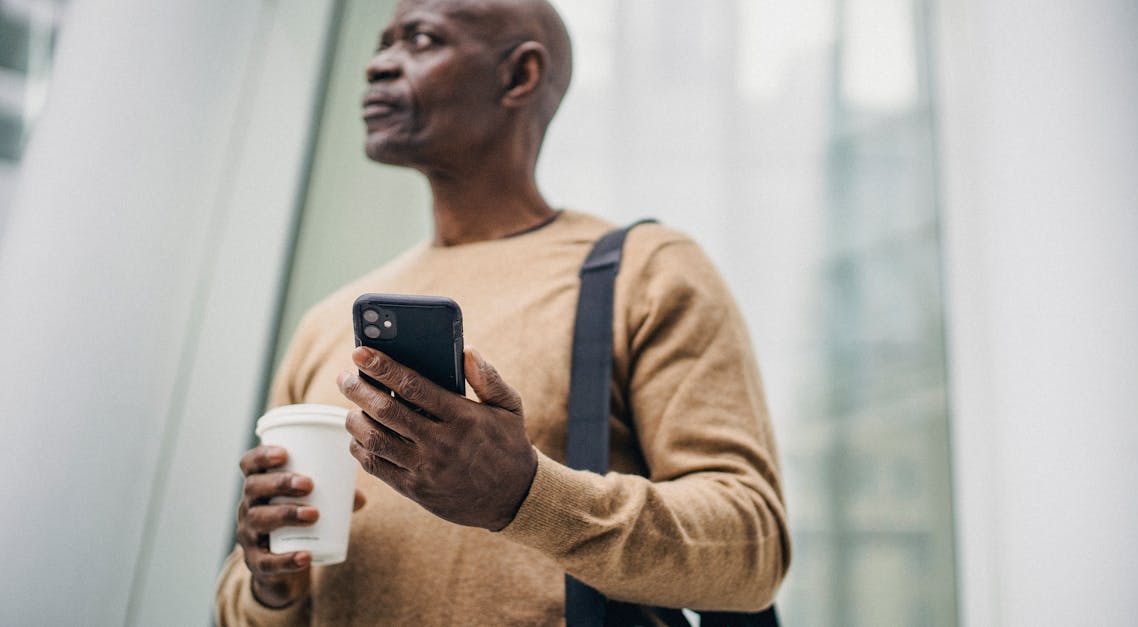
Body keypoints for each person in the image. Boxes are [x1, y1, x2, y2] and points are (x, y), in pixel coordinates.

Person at [215, 0, 789, 624]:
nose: (379, 65)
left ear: (520, 76)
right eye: (382, 43)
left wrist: (524, 494)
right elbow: (237, 609)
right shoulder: (325, 323)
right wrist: (270, 584)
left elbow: (751, 549)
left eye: (421, 39)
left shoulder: (647, 270)